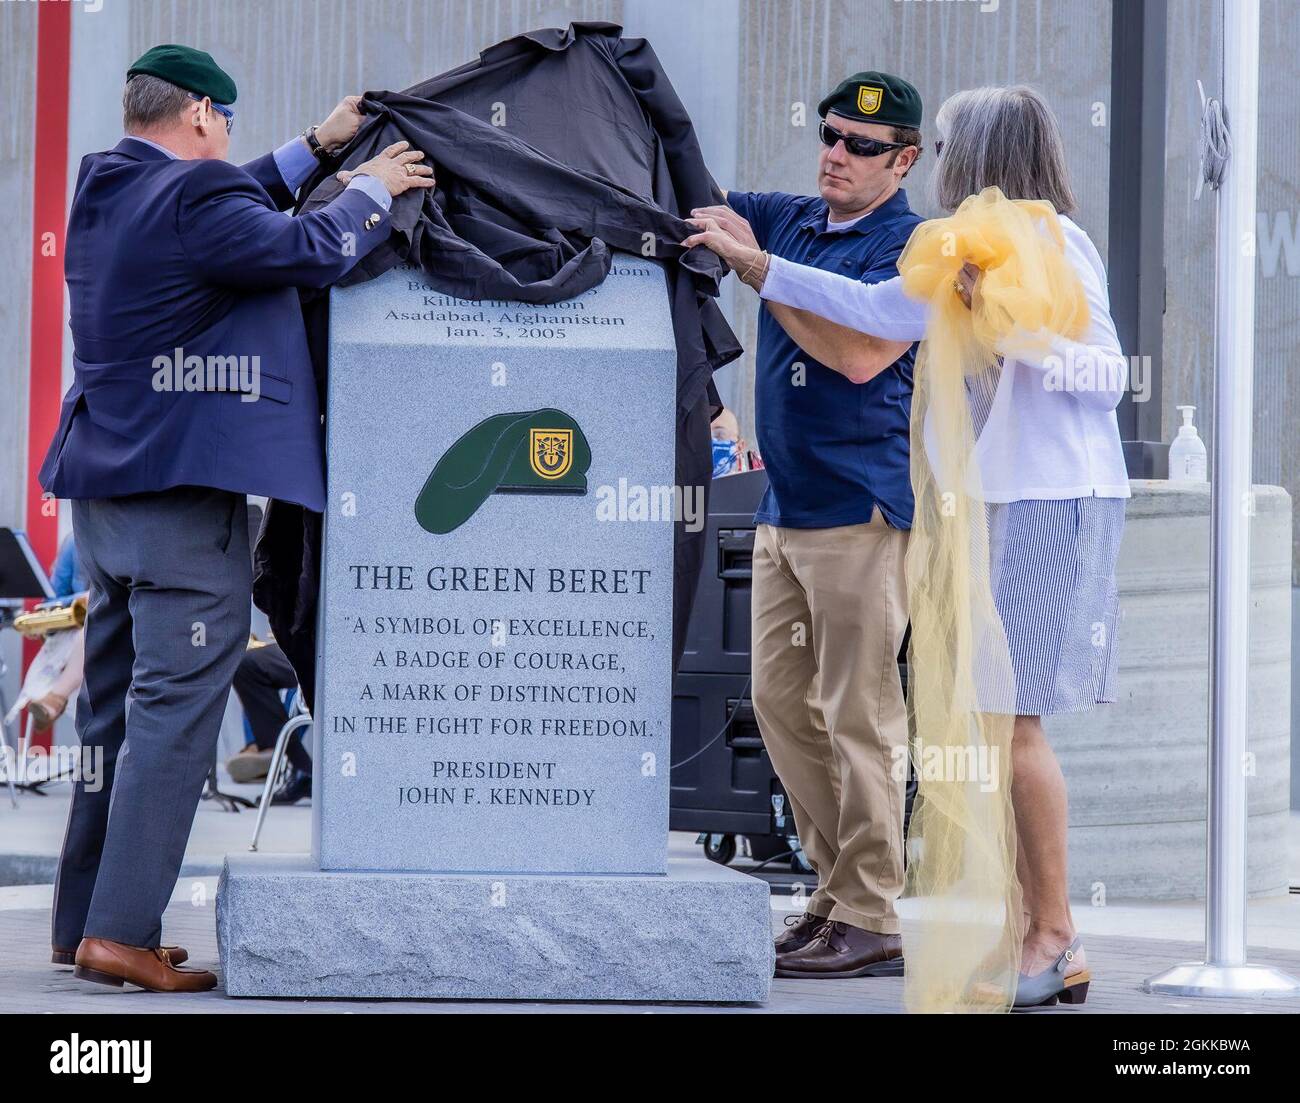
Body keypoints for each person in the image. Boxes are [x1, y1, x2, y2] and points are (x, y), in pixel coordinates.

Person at [687, 85, 1129, 1007]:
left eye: (952, 144)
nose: (942, 161)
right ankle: (1022, 933)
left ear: (982, 153)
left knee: (1010, 726)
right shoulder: (960, 247)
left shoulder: (1055, 241)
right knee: (980, 722)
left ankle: (1055, 932)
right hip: (985, 507)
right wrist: (761, 268)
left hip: (1049, 501)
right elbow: (879, 312)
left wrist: (1014, 330)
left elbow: (1109, 375)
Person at [38, 43, 435, 993]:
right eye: (230, 126)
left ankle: (82, 919)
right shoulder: (195, 199)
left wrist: (308, 149)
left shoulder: (105, 190)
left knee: (108, 712)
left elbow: (220, 211)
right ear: (207, 118)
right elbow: (307, 248)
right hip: (183, 508)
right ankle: (123, 933)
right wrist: (368, 186)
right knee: (175, 718)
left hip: (105, 503)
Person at [683, 72, 925, 979]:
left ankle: (874, 912)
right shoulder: (787, 216)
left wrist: (759, 271)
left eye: (863, 146)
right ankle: (837, 894)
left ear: (902, 161)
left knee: (860, 715)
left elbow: (860, 356)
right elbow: (683, 185)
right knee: (785, 709)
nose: (838, 154)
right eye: (830, 135)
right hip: (785, 508)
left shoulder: (913, 245)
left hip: (861, 512)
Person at [226, 639, 313, 805]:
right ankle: (301, 769)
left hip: (353, 644)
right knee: (246, 665)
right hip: (311, 640)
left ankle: (268, 752)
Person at [27, 535, 87, 732]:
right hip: (75, 633)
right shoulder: (74, 542)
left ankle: (56, 697)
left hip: (117, 629)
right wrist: (84, 599)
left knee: (90, 632)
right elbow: (50, 601)